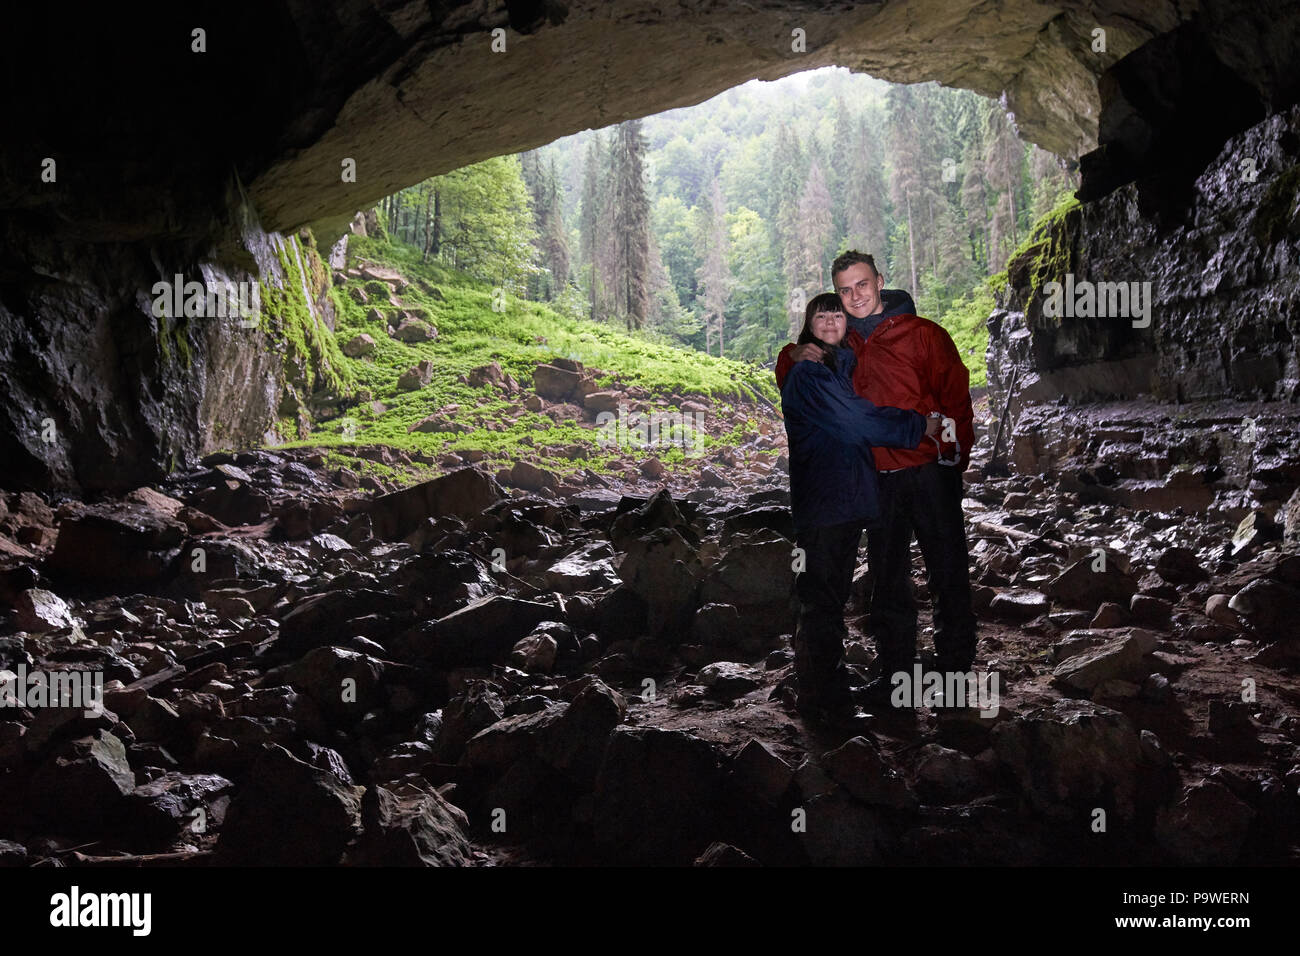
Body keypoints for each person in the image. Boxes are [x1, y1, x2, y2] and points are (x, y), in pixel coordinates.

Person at [777, 252, 977, 707]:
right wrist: (791, 354)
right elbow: (803, 379)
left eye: (862, 285)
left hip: (929, 472)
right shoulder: (841, 345)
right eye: (845, 290)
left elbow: (955, 398)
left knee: (948, 572)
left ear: (880, 282)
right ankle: (896, 678)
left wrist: (952, 458)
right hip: (878, 479)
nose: (854, 297)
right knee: (889, 582)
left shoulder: (924, 334)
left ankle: (954, 671)